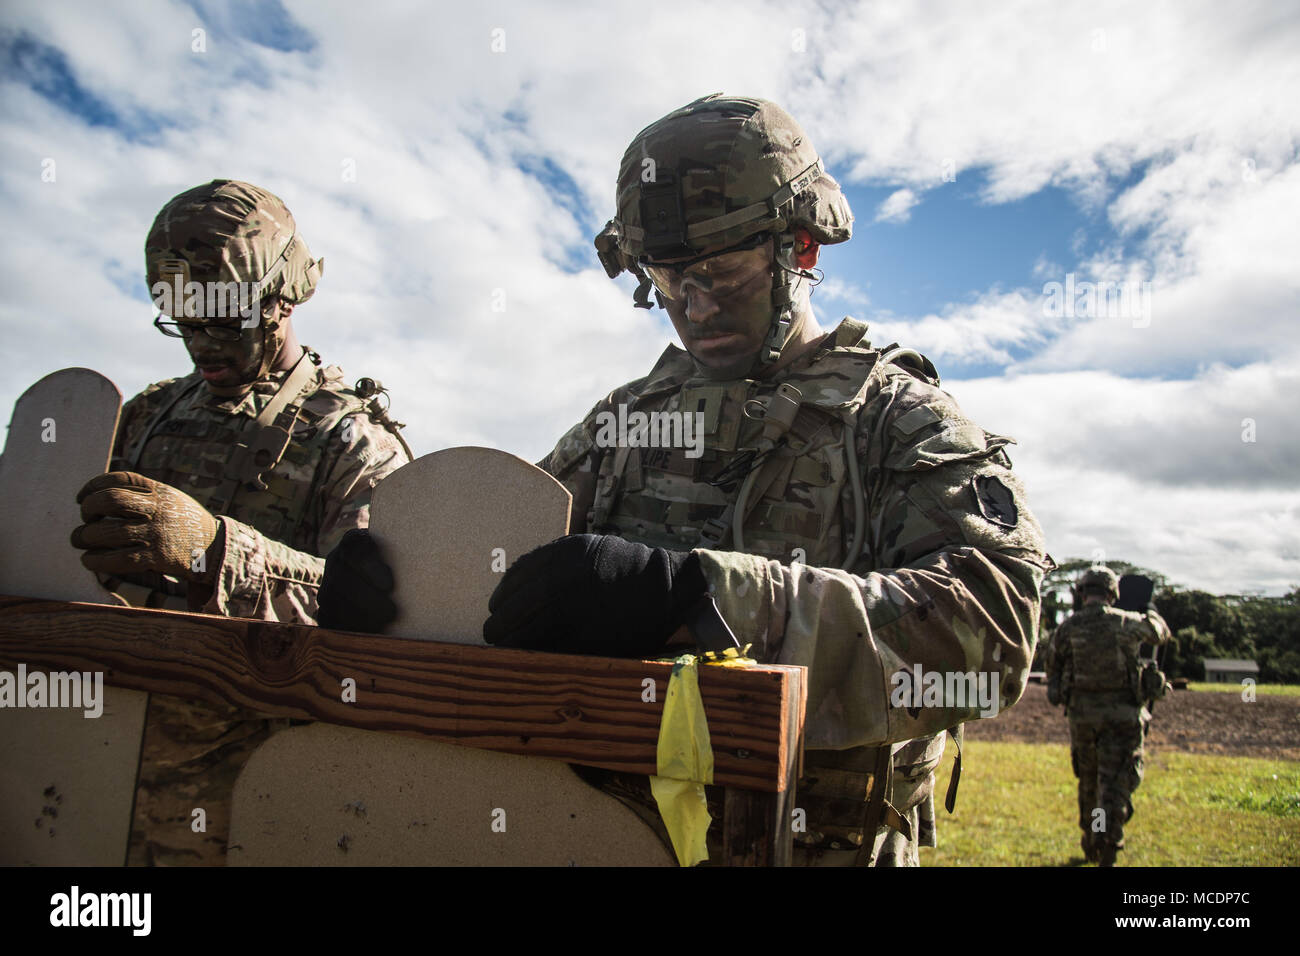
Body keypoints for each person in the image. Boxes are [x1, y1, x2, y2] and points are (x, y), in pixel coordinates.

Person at [321, 94, 1052, 866]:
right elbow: (503, 573)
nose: (695, 308)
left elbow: (992, 635)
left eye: (724, 274)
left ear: (801, 248)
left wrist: (693, 596)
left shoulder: (896, 419)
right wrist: (401, 587)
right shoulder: (627, 423)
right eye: (666, 282)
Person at [69, 179, 412, 865]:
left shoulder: (353, 440)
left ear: (284, 296)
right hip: (95, 785)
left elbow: (378, 622)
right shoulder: (147, 414)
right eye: (182, 319)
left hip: (248, 807)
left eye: (223, 317)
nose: (202, 343)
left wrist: (216, 551)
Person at [1046, 565, 1171, 866]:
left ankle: (1091, 840)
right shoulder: (1127, 622)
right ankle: (1109, 846)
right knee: (1114, 784)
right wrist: (1151, 610)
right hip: (1122, 719)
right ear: (1112, 593)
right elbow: (1159, 633)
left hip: (1083, 719)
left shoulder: (1068, 628)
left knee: (1089, 781)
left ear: (1082, 592)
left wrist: (1062, 691)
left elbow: (1053, 667)